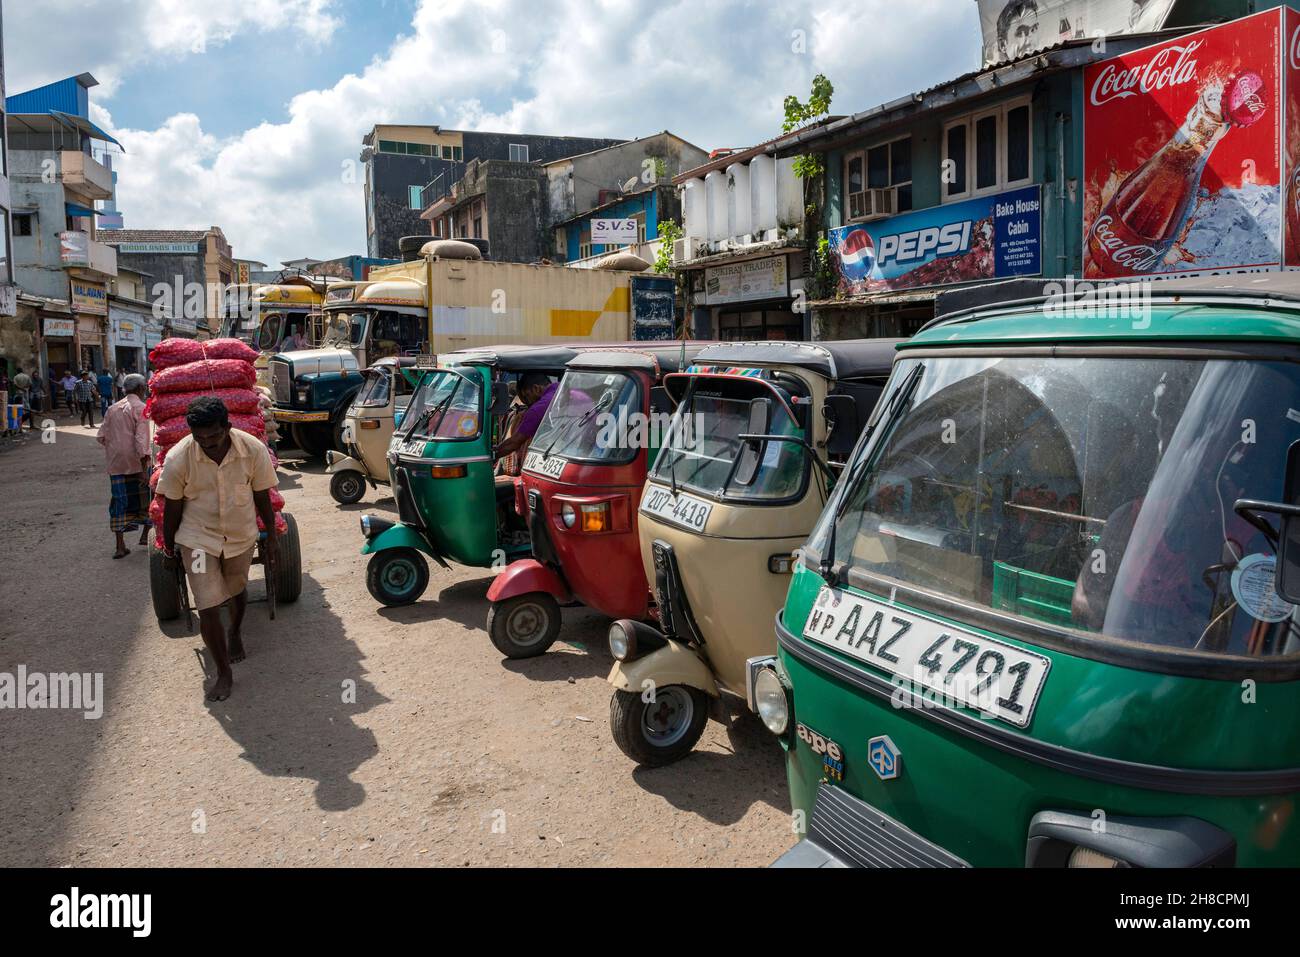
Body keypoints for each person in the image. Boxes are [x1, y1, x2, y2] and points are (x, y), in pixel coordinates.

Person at [157, 396, 279, 702]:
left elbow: (262, 495)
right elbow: (171, 507)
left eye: (214, 435)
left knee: (236, 590)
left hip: (240, 535)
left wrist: (273, 536)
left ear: (227, 426)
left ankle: (235, 632)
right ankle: (223, 672)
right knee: (208, 603)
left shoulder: (252, 449)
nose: (208, 443)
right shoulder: (178, 457)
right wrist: (169, 550)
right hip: (197, 538)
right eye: (201, 438)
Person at [97, 373, 152, 558]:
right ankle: (145, 535)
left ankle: (120, 546)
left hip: (116, 464)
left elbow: (101, 436)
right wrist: (144, 468)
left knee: (119, 501)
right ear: (140, 389)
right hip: (137, 463)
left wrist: (117, 449)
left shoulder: (112, 408)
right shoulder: (141, 408)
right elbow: (142, 441)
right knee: (147, 499)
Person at [492, 372, 556, 462]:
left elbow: (514, 442)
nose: (526, 402)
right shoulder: (563, 389)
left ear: (536, 388)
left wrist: (492, 456)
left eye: (527, 396)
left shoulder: (537, 408)